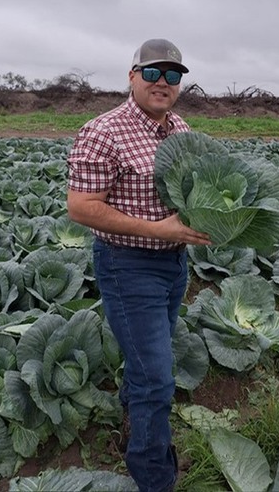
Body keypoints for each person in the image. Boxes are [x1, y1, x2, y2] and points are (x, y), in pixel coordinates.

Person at [66, 38, 211, 492]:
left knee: (149, 362)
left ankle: (132, 425)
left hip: (174, 265)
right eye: (152, 73)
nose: (162, 83)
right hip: (127, 265)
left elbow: (197, 191)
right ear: (132, 76)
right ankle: (155, 479)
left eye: (173, 75)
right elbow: (81, 207)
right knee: (157, 381)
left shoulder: (182, 131)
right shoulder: (103, 131)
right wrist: (157, 231)